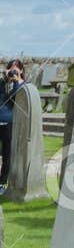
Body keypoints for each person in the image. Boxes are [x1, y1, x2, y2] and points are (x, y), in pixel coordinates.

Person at [0, 59, 26, 188]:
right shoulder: (4, 83)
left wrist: (16, 82)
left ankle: (2, 182)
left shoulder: (24, 86)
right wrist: (4, 79)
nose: (13, 72)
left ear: (21, 70)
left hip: (11, 124)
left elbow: (15, 99)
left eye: (16, 69)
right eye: (11, 69)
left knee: (7, 155)